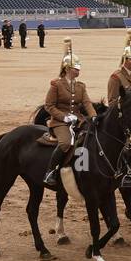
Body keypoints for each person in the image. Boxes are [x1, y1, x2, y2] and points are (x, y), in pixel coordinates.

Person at [42, 40, 97, 186]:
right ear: (67, 69)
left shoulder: (81, 86)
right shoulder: (56, 85)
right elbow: (49, 106)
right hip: (60, 122)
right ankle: (51, 172)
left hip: (78, 120)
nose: (78, 71)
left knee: (88, 139)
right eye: (75, 69)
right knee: (66, 143)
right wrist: (64, 117)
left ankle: (82, 168)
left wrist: (93, 116)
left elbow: (87, 103)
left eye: (79, 69)